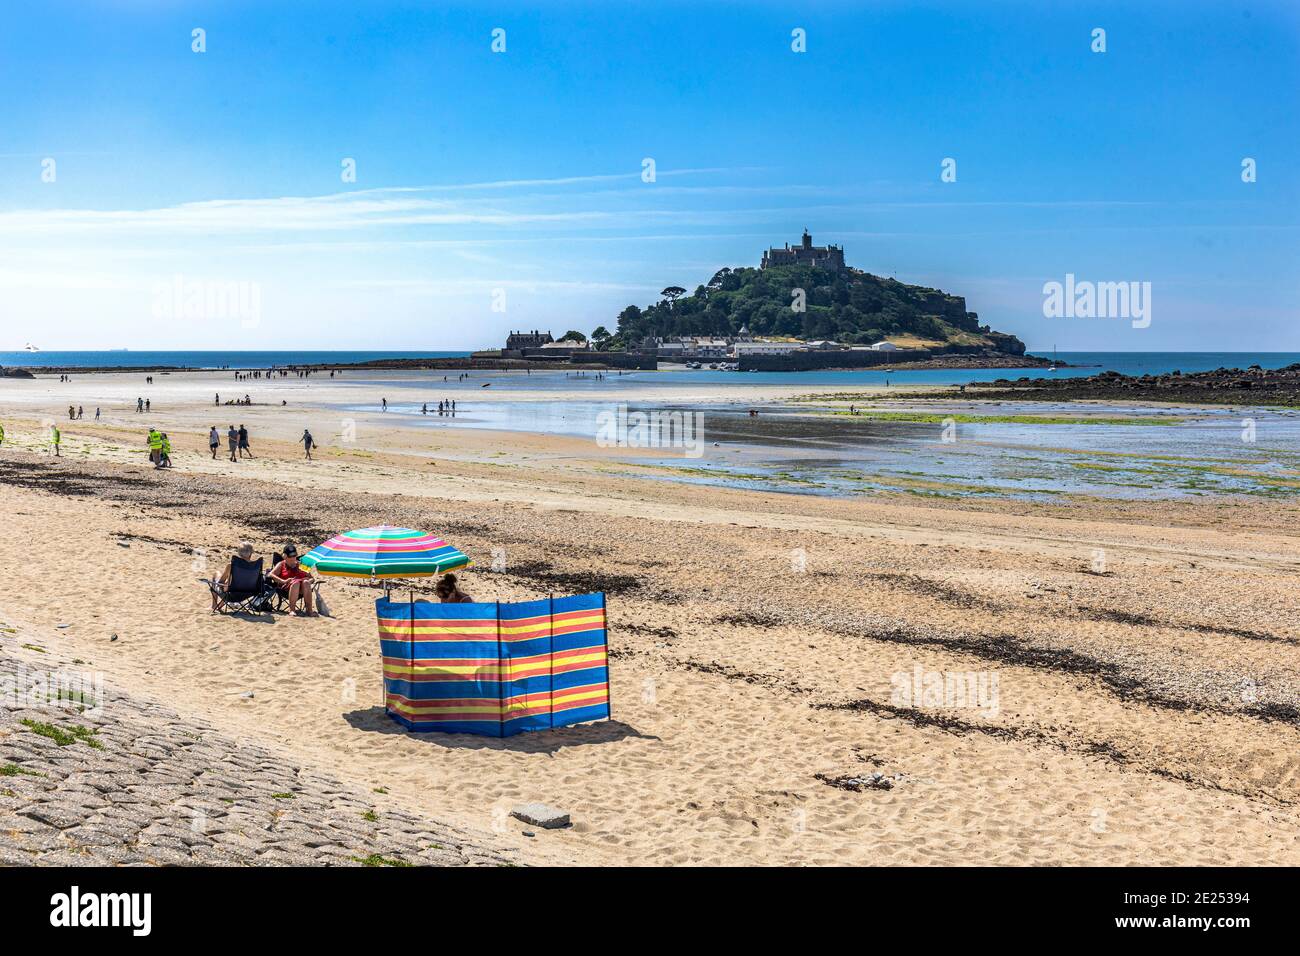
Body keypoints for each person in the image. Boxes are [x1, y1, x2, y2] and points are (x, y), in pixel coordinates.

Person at [270, 545, 316, 616]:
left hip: (302, 589)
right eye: (290, 556)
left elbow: (312, 578)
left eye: (294, 555)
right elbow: (271, 574)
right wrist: (283, 581)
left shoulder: (301, 564)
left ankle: (309, 610)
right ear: (284, 556)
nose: (293, 558)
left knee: (306, 582)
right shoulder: (281, 564)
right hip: (287, 588)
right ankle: (292, 610)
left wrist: (309, 581)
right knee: (296, 583)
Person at [211, 542, 257, 611]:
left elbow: (221, 581)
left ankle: (214, 605)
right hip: (247, 594)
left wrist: (225, 582)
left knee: (217, 574)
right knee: (230, 583)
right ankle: (219, 606)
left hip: (231, 595)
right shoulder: (255, 566)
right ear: (251, 553)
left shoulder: (231, 565)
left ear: (239, 553)